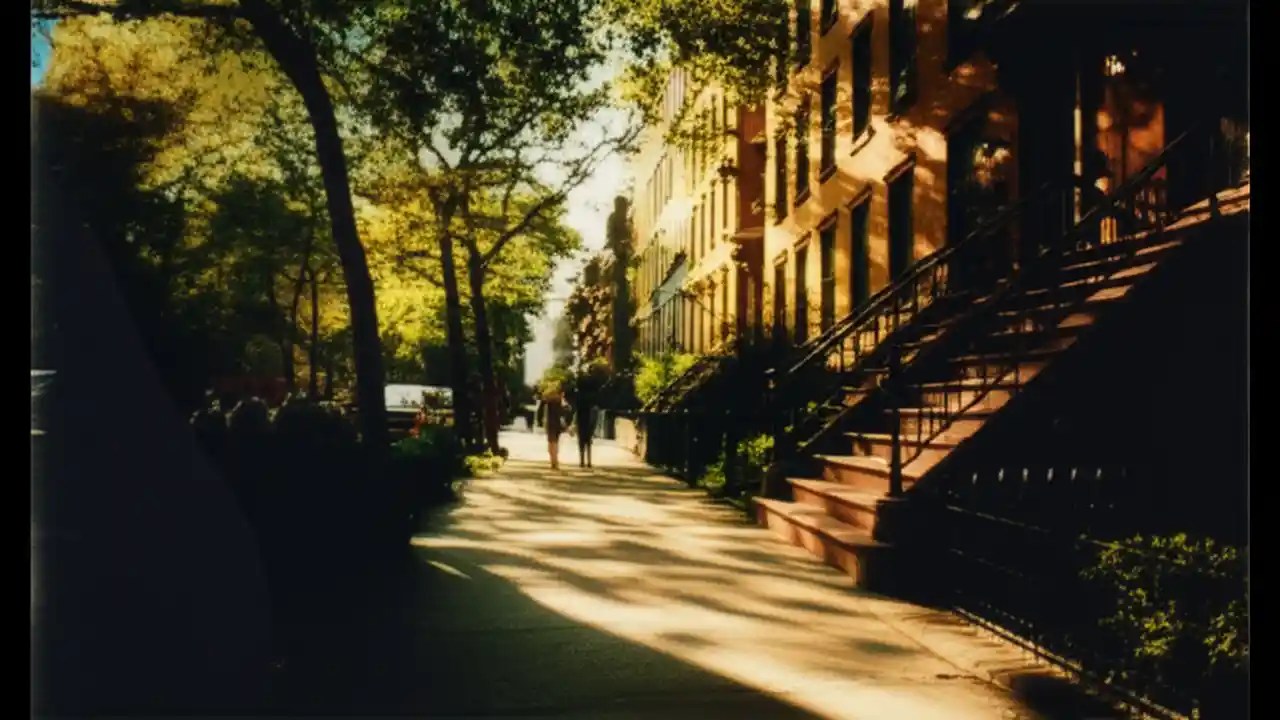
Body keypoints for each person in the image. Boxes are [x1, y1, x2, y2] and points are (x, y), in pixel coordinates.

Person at [535, 386, 568, 470]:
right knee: (555, 442)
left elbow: (540, 409)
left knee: (551, 443)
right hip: (557, 423)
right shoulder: (560, 400)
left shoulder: (547, 399)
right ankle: (555, 461)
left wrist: (539, 421)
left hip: (550, 423)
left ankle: (553, 461)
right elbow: (565, 411)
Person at [573, 388, 598, 468]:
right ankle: (589, 462)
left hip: (581, 426)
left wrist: (575, 426)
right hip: (588, 426)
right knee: (588, 445)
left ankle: (582, 461)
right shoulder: (590, 408)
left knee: (581, 445)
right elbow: (592, 418)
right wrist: (592, 428)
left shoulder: (579, 407)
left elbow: (576, 417)